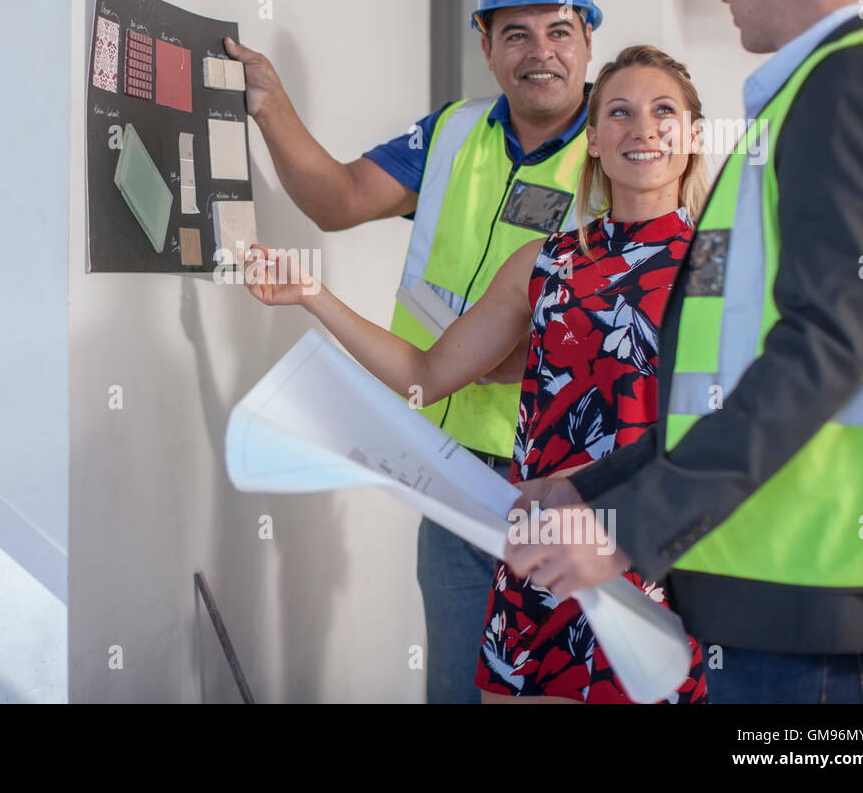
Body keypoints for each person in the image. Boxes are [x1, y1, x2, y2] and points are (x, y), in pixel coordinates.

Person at [506, 0, 863, 704]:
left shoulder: (845, 90)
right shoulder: (826, 92)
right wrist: (587, 483)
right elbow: (728, 387)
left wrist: (630, 527)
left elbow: (823, 349)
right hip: (784, 577)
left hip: (808, 578)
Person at [242, 45, 711, 703]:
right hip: (537, 560)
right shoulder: (542, 264)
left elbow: (736, 432)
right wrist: (313, 294)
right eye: (620, 112)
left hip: (647, 561)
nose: (642, 127)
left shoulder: (723, 265)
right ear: (595, 141)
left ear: (692, 136)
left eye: (664, 111)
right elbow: (425, 374)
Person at [226, 0, 602, 702]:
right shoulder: (454, 134)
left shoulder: (618, 150)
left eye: (559, 31)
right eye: (516, 34)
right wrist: (269, 105)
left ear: (589, 40)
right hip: (448, 465)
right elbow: (336, 199)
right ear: (488, 49)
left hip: (562, 478)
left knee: (561, 687)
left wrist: (504, 359)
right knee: (458, 682)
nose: (541, 53)